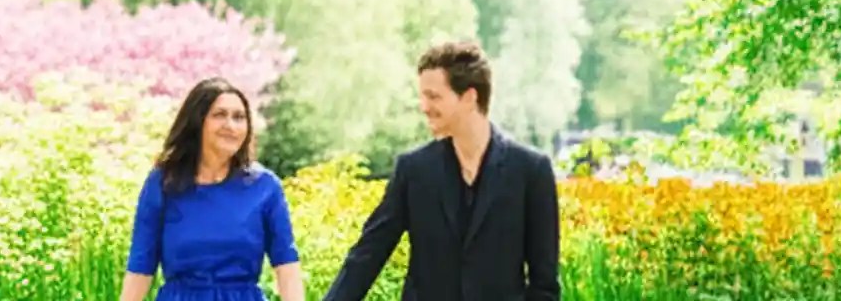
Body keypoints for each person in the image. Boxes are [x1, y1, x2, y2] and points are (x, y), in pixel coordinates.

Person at [322, 41, 560, 301]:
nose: (424, 106)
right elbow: (368, 253)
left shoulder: (531, 171)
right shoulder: (413, 170)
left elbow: (544, 283)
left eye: (433, 96)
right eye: (422, 96)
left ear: (469, 97)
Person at [120, 77, 304, 301]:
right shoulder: (163, 183)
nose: (231, 125)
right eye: (220, 115)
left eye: (239, 117)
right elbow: (141, 264)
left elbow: (287, 265)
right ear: (198, 122)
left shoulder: (265, 188)